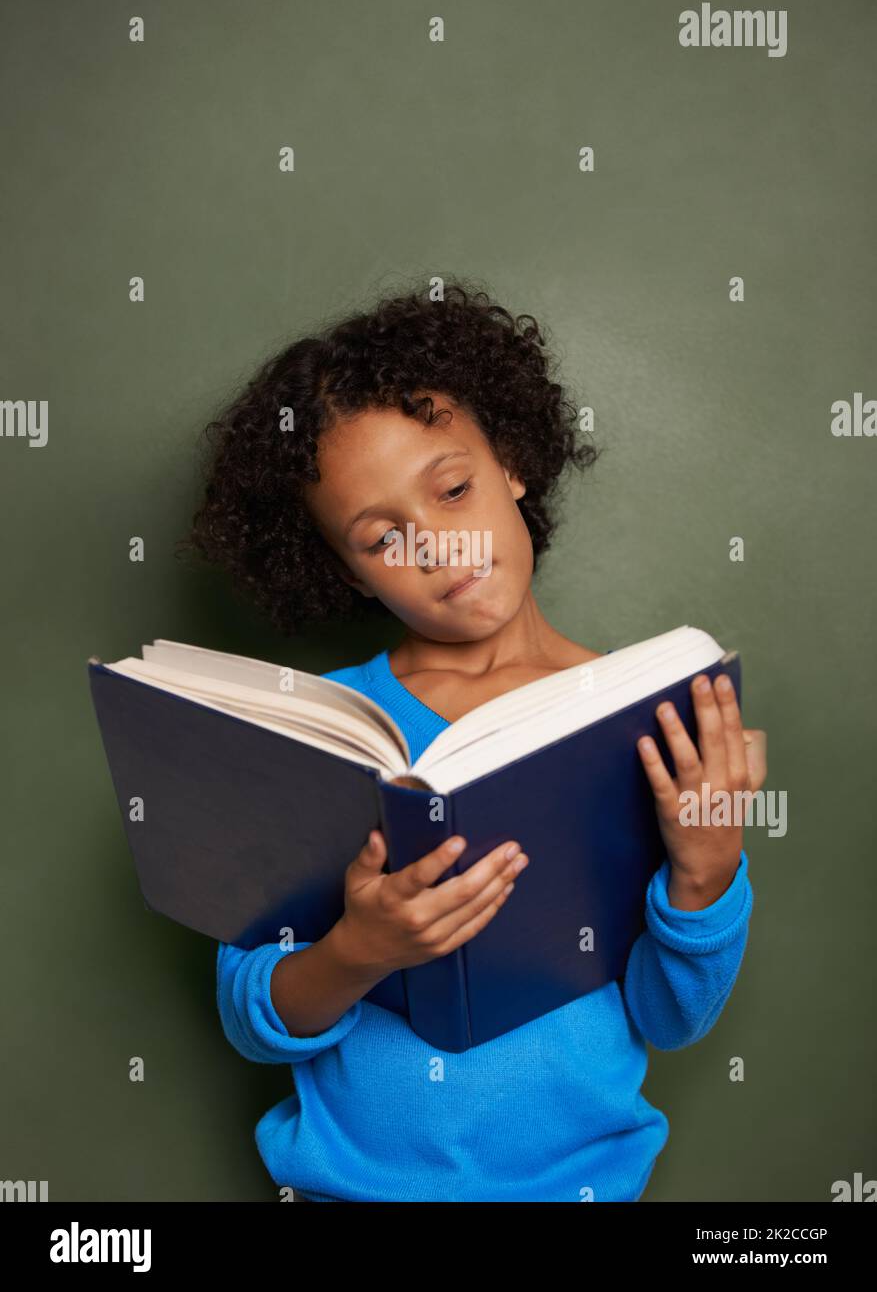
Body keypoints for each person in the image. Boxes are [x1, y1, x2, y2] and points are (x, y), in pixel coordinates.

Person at [185, 281, 765, 1201]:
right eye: (382, 539)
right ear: (342, 571)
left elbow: (669, 1016)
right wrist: (359, 950)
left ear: (514, 463)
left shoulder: (643, 716)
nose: (438, 547)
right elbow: (252, 1016)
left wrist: (705, 872)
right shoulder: (315, 730)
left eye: (453, 490)